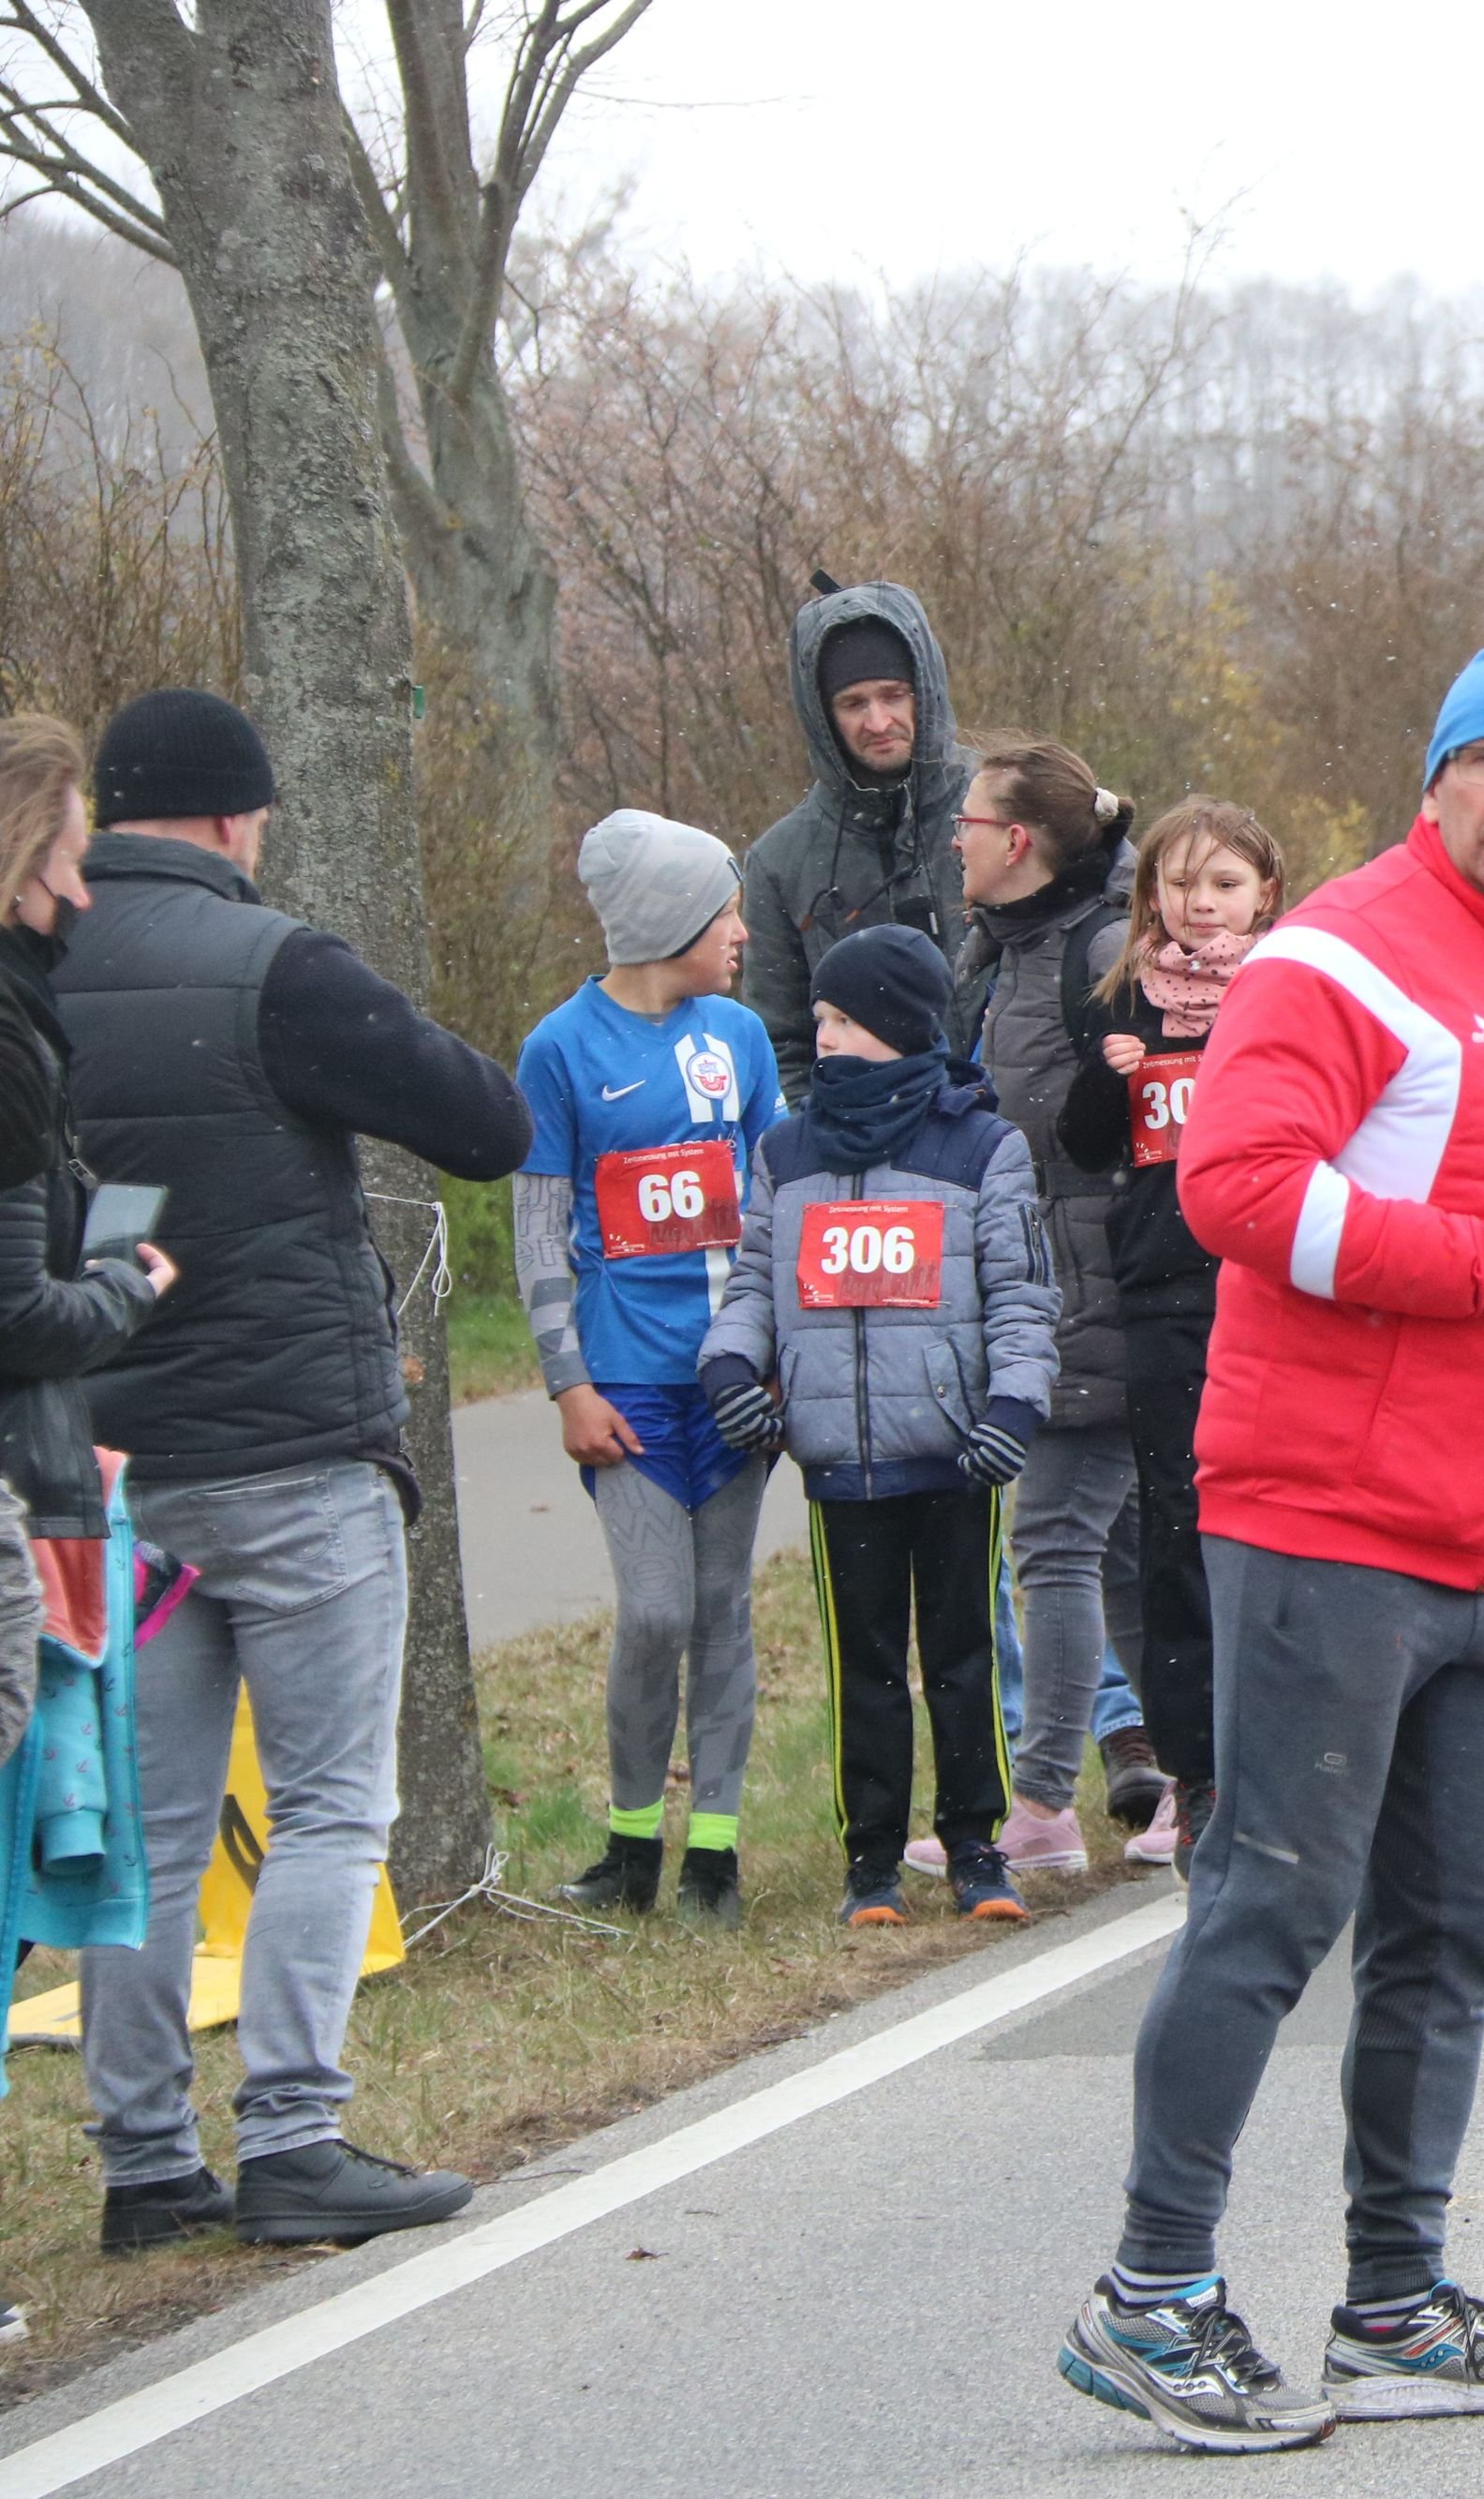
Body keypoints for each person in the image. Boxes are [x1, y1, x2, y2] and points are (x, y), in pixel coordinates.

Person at [1064, 627, 1484, 2452]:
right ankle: (1153, 2291)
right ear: (1436, 779)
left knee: (1455, 1921)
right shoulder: (1337, 952)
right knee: (1274, 1896)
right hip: (1319, 1507)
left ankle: (1391, 2304)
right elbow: (1234, 1186)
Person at [65, 688, 527, 2252]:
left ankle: (141, 2165)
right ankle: (293, 2135)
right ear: (235, 815)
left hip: (101, 1471)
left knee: (148, 1825)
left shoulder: (26, 970)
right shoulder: (278, 965)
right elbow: (486, 1121)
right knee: (333, 1800)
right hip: (286, 1451)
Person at [698, 925, 1054, 1924]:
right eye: (817, 1015)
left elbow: (1023, 1295)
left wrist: (1013, 1407)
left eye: (841, 1018)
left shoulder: (982, 1145)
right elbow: (751, 1291)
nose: (823, 1035)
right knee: (863, 1667)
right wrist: (729, 1364)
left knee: (961, 1656)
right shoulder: (786, 1150)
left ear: (899, 1026)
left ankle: (979, 1845)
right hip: (837, 1460)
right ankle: (872, 1860)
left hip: (954, 1455)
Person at [521, 812, 781, 1926]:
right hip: (622, 1382)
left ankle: (713, 1854)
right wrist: (565, 1382)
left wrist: (779, 1351)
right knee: (658, 1612)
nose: (741, 933)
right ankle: (631, 1842)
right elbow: (538, 1226)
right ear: (669, 920)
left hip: (731, 1379)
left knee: (722, 1606)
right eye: (724, 912)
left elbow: (776, 1203)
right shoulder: (559, 1049)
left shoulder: (743, 1036)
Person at [926, 736, 1143, 1883]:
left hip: (1093, 1290)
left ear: (1015, 841)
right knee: (1124, 1553)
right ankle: (1196, 1791)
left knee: (1057, 1545)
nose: (952, 838)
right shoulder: (1002, 948)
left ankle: (1047, 1806)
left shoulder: (1099, 951)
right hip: (1039, 1285)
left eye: (967, 822)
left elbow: (1111, 1133)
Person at [1060, 797, 1284, 1872]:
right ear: (1150, 895)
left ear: (1265, 896)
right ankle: (1196, 1777)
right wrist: (1106, 1080)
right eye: (1181, 884)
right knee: (1177, 1532)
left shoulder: (1295, 996)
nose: (1202, 904)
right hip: (1161, 1291)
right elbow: (1080, 1142)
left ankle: (1293, 1760)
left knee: (1285, 1529)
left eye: (1225, 884)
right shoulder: (1125, 1003)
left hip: (1279, 1290)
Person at [0, 716, 139, 1758]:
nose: (83, 897)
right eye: (72, 865)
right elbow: (19, 1316)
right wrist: (122, 1285)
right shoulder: (12, 1047)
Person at [743, 580, 975, 1104]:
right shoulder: (781, 863)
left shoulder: (1008, 809)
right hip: (865, 1161)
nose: (878, 722)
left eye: (894, 696)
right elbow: (780, 1045)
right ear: (823, 715)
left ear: (925, 690)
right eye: (854, 703)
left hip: (1020, 1148)